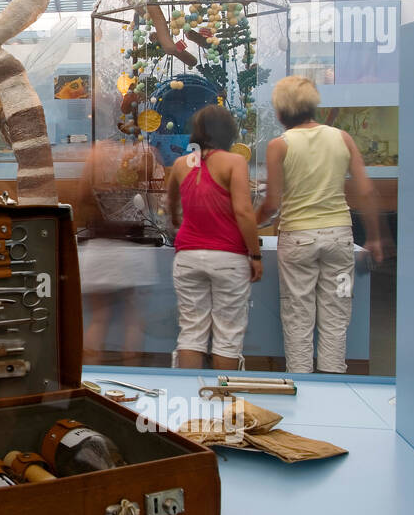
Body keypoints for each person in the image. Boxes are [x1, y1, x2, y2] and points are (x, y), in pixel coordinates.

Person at [256, 76, 383, 373]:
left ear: (280, 112)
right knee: (336, 316)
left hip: (298, 241)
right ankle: (333, 387)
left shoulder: (279, 146)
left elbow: (272, 205)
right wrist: (374, 237)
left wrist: (247, 225)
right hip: (339, 239)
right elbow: (366, 190)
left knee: (298, 317)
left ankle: (302, 388)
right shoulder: (343, 138)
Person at [165, 105, 262, 370]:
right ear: (228, 132)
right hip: (228, 257)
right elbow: (243, 211)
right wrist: (255, 254)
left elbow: (170, 205)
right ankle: (223, 402)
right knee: (227, 335)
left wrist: (177, 221)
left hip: (187, 257)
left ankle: (187, 399)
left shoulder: (180, 164)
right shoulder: (234, 162)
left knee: (191, 333)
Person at [77, 138, 163, 364]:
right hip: (134, 248)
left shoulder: (96, 154)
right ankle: (132, 385)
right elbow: (155, 198)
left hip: (100, 246)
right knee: (133, 321)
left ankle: (90, 384)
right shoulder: (147, 153)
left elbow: (82, 197)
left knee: (98, 319)